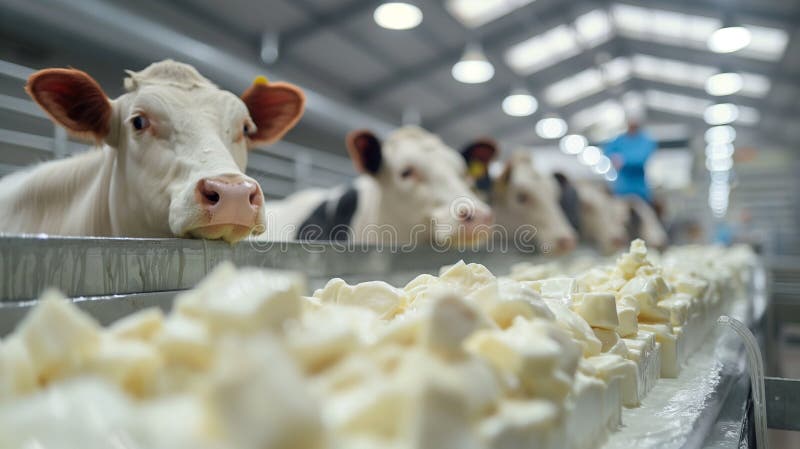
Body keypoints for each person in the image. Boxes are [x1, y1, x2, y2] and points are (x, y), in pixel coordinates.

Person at [603, 121, 657, 203]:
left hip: (640, 192)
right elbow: (608, 150)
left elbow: (641, 159)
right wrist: (614, 157)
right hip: (621, 191)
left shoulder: (646, 141)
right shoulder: (619, 140)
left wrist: (622, 160)